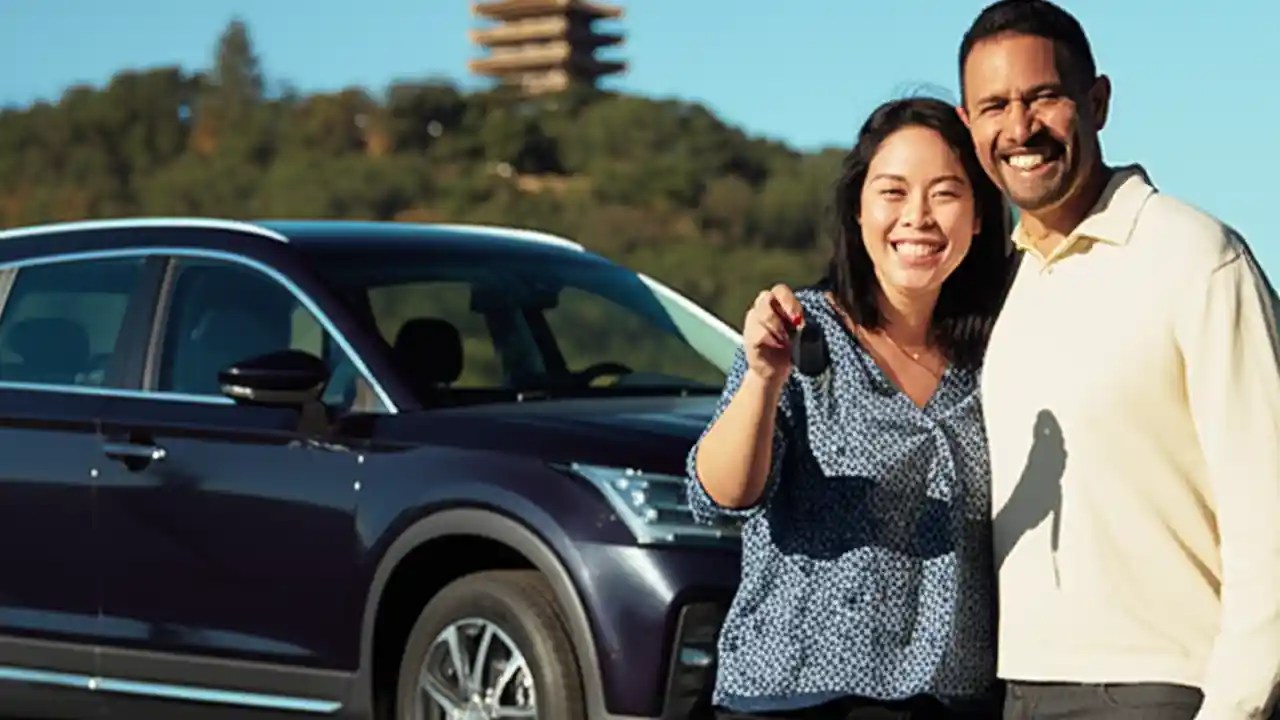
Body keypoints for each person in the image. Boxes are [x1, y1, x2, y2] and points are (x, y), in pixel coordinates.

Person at [955, 2, 1280, 719]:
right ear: (968, 123)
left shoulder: (1198, 258)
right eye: (994, 106)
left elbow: (1270, 509)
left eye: (1044, 96)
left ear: (1097, 102)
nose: (1020, 128)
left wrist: (1236, 706)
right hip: (1020, 691)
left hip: (1165, 691)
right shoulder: (1003, 288)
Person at [685, 95, 1013, 720]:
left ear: (978, 217)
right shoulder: (802, 333)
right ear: (858, 209)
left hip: (954, 699)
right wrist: (761, 379)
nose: (917, 217)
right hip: (798, 696)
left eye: (945, 193)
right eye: (892, 192)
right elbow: (720, 498)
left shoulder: (998, 354)